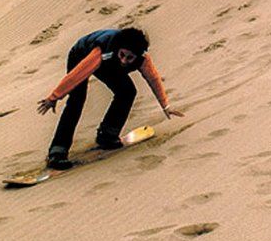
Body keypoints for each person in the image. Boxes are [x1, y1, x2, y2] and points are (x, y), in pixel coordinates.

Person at [37, 28, 183, 169]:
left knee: (127, 91)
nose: (124, 61)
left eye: (130, 58)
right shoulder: (102, 51)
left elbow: (153, 79)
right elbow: (77, 75)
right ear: (118, 48)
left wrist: (165, 106)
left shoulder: (143, 59)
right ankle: (57, 151)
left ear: (138, 56)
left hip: (110, 63)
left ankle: (107, 135)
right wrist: (54, 97)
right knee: (77, 99)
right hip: (82, 55)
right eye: (122, 55)